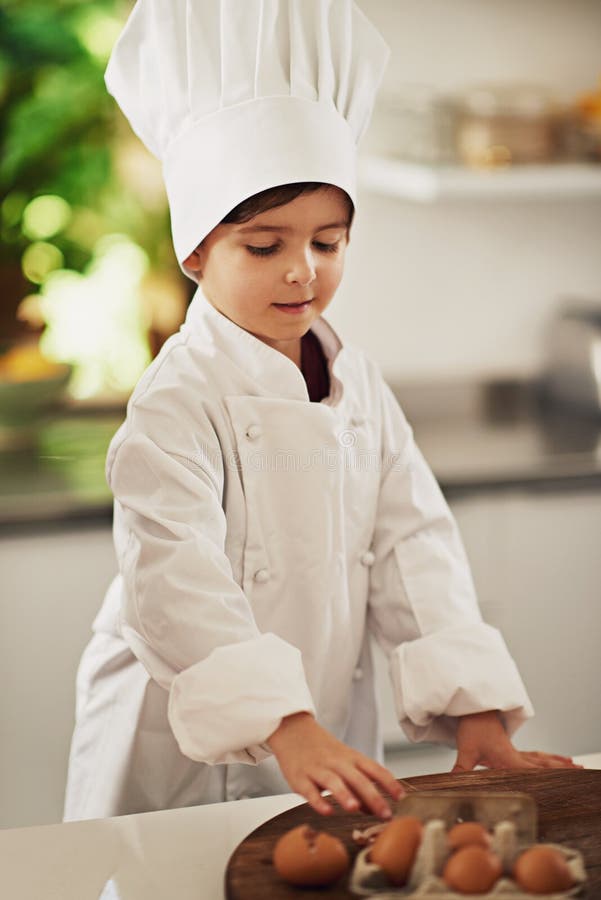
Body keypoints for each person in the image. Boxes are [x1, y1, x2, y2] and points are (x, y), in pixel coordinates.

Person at [64, 0, 580, 823]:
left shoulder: (356, 383)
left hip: (322, 721)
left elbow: (412, 543)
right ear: (196, 251)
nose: (301, 272)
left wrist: (473, 708)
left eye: (328, 241)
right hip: (186, 733)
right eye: (264, 246)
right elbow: (173, 580)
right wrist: (281, 721)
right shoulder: (176, 403)